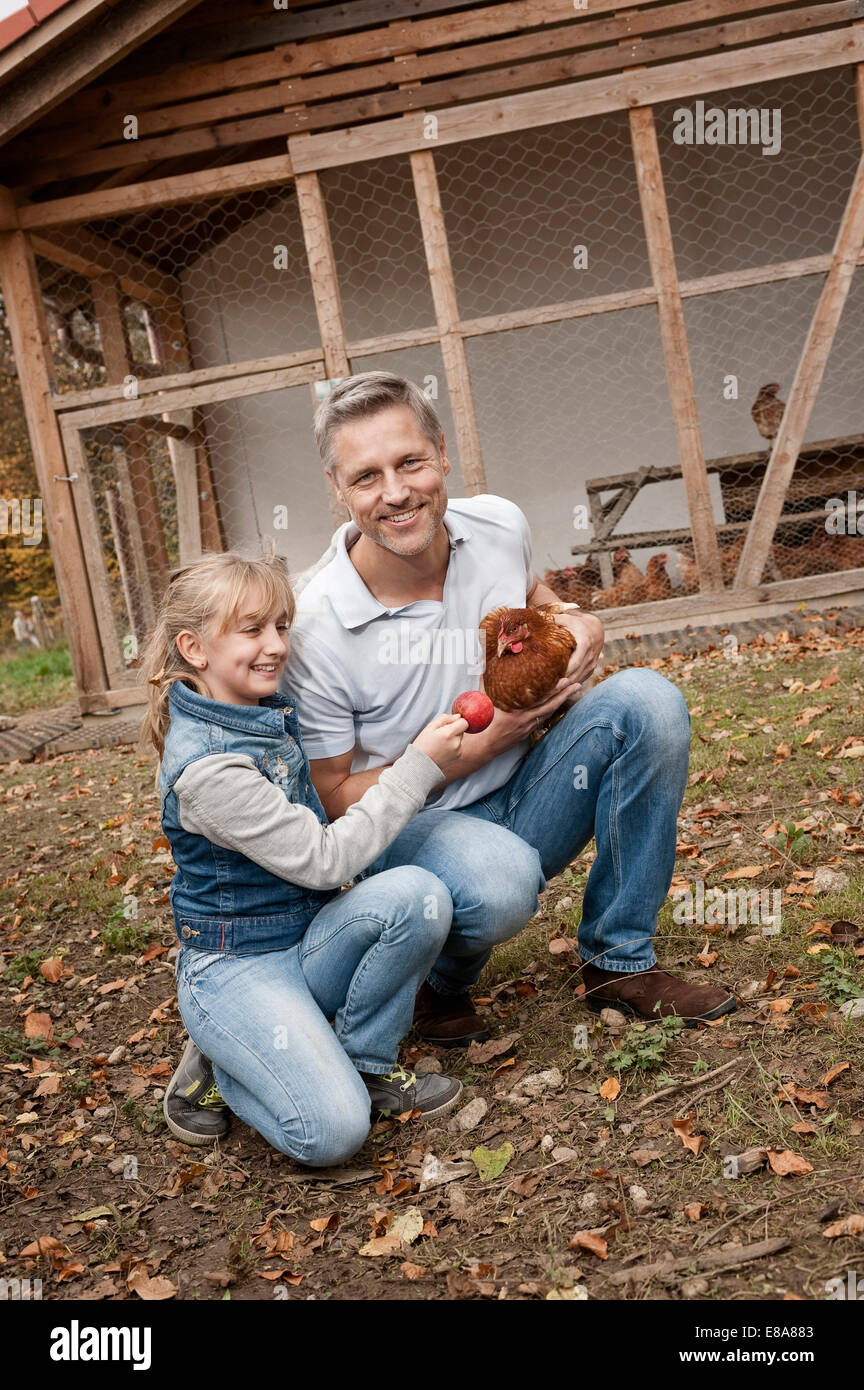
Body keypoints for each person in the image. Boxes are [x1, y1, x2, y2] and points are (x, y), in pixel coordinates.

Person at [286, 371, 737, 1041]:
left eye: (410, 461)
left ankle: (619, 963)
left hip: (530, 793)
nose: (396, 492)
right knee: (499, 883)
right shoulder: (315, 624)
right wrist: (479, 748)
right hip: (411, 834)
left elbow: (537, 599)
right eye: (366, 476)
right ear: (337, 488)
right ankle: (435, 974)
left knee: (650, 701)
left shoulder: (497, 524)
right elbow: (332, 801)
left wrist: (579, 621)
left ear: (441, 451)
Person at [142, 550, 520, 1164]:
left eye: (281, 626)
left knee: (420, 895)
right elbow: (325, 862)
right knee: (334, 1133)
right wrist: (418, 767)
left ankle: (367, 1061)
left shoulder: (256, 712)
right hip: (240, 965)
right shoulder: (209, 769)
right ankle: (228, 1060)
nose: (276, 645)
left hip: (305, 937)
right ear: (193, 647)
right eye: (252, 629)